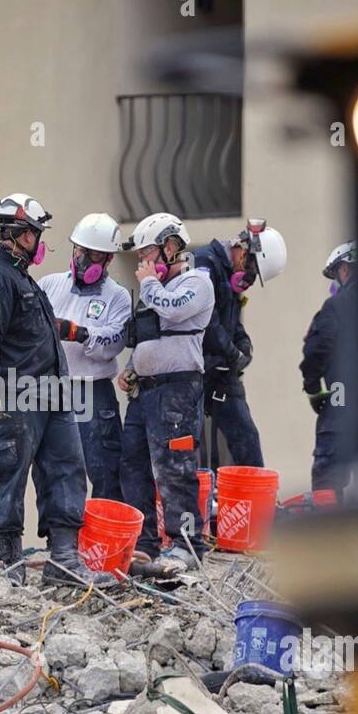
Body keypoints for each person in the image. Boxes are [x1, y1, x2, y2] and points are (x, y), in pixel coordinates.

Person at [0, 193, 115, 588]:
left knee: (68, 468)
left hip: (53, 394)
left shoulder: (23, 280)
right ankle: (11, 563)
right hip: (18, 394)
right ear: (17, 235)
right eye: (35, 233)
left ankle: (64, 560)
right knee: (11, 474)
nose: (40, 241)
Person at [118, 212, 215, 570]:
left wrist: (148, 285)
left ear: (171, 247)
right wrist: (132, 368)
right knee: (133, 464)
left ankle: (187, 545)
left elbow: (174, 311)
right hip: (146, 393)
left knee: (175, 467)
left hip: (178, 392)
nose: (143, 263)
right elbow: (150, 337)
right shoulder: (153, 291)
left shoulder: (196, 283)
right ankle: (146, 542)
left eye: (149, 254)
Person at [39, 213, 133, 501]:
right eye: (79, 250)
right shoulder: (49, 285)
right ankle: (62, 540)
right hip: (54, 389)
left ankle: (103, 541)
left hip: (93, 391)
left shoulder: (117, 297)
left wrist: (79, 333)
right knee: (54, 470)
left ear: (107, 259)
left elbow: (114, 340)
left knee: (103, 468)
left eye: (91, 254)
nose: (81, 258)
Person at [196, 219, 288, 469]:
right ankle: (190, 505)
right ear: (243, 251)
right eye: (253, 268)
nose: (250, 277)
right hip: (193, 371)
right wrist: (232, 353)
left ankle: (259, 501)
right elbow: (207, 321)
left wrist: (244, 346)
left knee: (246, 437)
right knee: (189, 445)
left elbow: (232, 323)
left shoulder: (226, 273)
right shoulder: (204, 263)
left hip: (222, 371)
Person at [300, 241, 358, 496]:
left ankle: (334, 538)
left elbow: (316, 351)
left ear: (344, 269)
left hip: (341, 408)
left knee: (328, 484)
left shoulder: (336, 306)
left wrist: (314, 389)